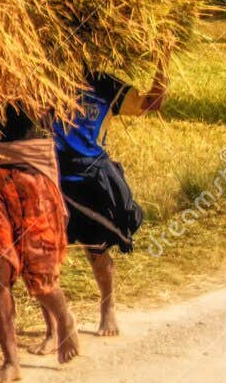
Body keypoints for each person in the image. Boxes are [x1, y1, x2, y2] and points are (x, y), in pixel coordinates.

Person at [43, 67, 166, 344]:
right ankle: (53, 328)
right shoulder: (45, 76)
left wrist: (162, 60)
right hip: (50, 176)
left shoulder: (106, 85)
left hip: (90, 180)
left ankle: (107, 305)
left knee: (96, 251)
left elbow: (153, 103)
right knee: (45, 253)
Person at [0, 99, 78, 383]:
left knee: (40, 271)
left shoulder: (41, 68)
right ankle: (11, 361)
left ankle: (63, 319)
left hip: (34, 170)